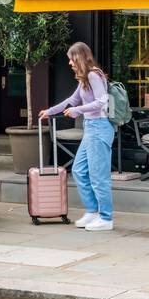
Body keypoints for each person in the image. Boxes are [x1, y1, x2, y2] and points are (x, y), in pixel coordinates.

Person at [39, 42, 114, 232]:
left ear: (79, 57)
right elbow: (71, 101)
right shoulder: (84, 79)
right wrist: (50, 111)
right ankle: (92, 211)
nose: (70, 63)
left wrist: (77, 111)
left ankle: (106, 218)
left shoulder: (93, 75)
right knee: (80, 171)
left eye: (71, 59)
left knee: (99, 176)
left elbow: (102, 101)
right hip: (91, 128)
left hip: (99, 128)